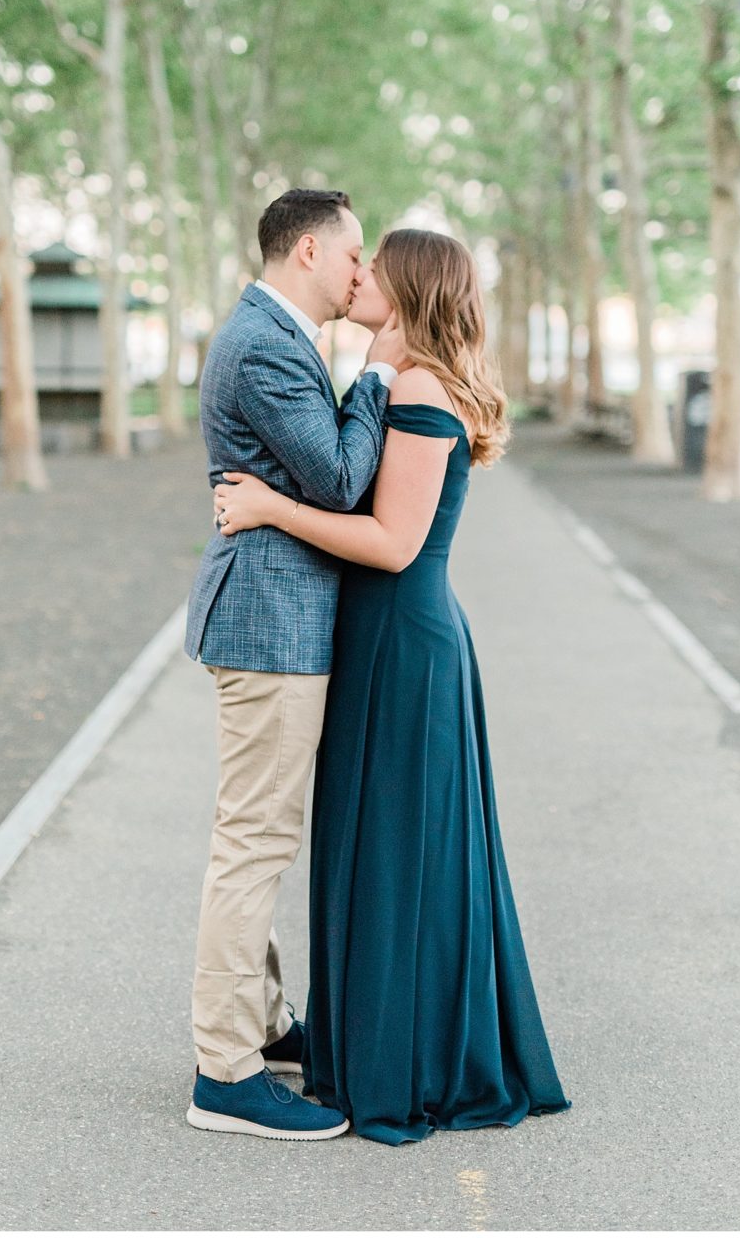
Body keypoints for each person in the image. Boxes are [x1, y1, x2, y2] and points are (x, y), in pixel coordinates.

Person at [213, 227, 573, 1145]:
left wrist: (265, 506)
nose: (357, 274)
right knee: (383, 842)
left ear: (408, 289)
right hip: (383, 637)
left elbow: (392, 541)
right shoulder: (404, 377)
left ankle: (403, 1058)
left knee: (399, 846)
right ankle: (375, 1037)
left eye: (372, 265)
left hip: (403, 644)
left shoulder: (416, 384)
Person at [183, 188, 409, 1141]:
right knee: (253, 844)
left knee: (258, 836)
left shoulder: (273, 335)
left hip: (278, 620)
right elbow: (339, 479)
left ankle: (265, 1025)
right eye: (354, 256)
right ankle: (223, 1071)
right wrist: (378, 372)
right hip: (270, 627)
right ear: (309, 250)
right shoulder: (268, 345)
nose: (364, 275)